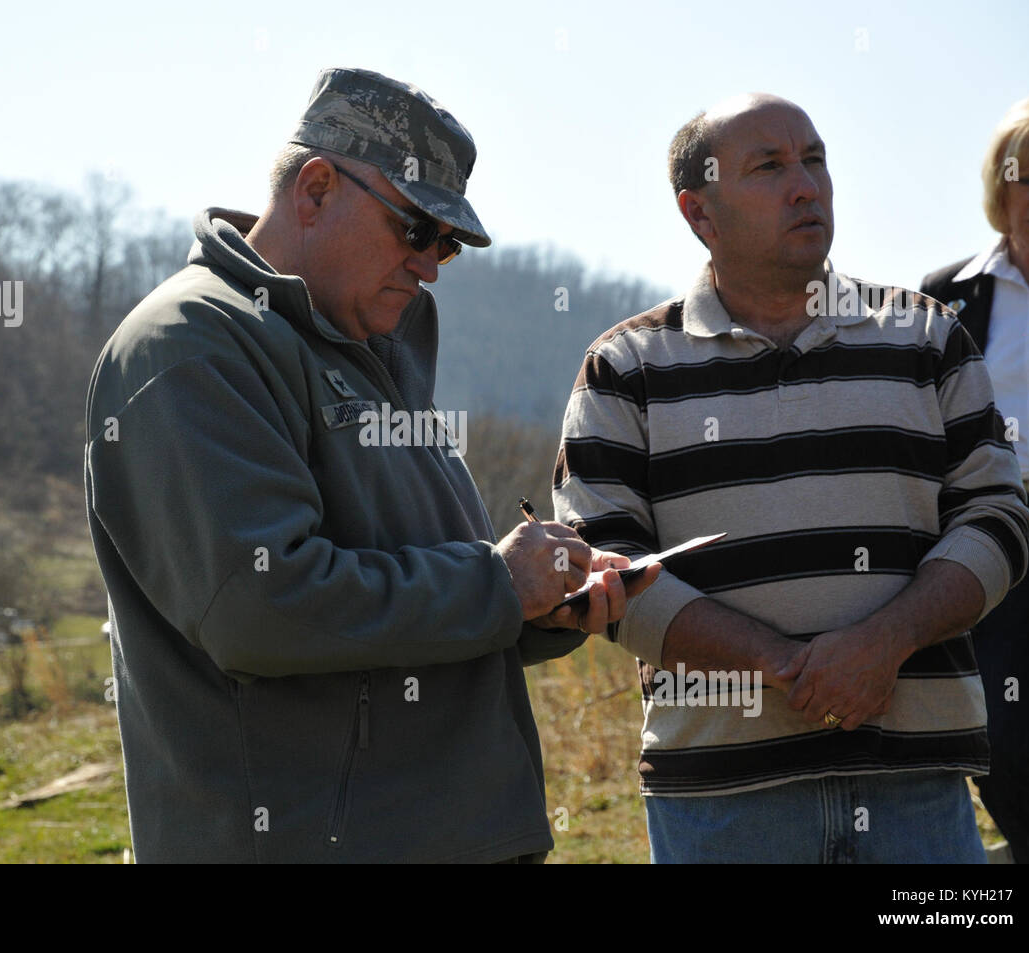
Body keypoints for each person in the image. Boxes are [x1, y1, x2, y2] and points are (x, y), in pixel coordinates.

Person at [83, 67, 653, 863]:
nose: (431, 264)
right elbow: (262, 606)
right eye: (417, 230)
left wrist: (533, 609)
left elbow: (400, 600)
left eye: (448, 245)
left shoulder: (364, 346)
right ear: (315, 188)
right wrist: (496, 585)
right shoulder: (190, 346)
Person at [553, 93, 1029, 863]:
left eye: (814, 158)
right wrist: (787, 667)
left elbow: (998, 520)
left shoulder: (928, 337)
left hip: (915, 786)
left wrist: (886, 641)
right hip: (723, 800)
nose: (806, 184)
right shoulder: (624, 368)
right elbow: (600, 566)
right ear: (698, 213)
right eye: (769, 167)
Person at [920, 87, 1029, 864]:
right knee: (998, 749)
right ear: (996, 184)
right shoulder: (944, 298)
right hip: (1002, 534)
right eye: (1023, 177)